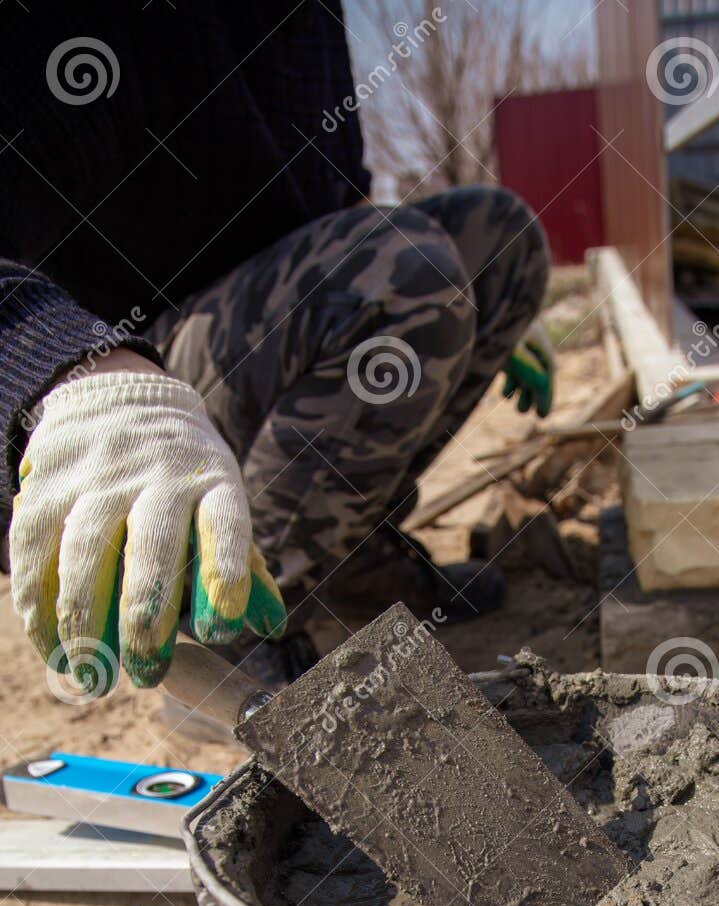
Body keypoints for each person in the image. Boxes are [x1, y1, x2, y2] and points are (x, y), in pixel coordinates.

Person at [0, 1, 552, 698]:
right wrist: (72, 368)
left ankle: (344, 559)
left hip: (254, 324)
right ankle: (223, 614)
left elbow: (335, 202)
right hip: (110, 378)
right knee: (404, 271)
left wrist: (473, 297)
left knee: (496, 236)